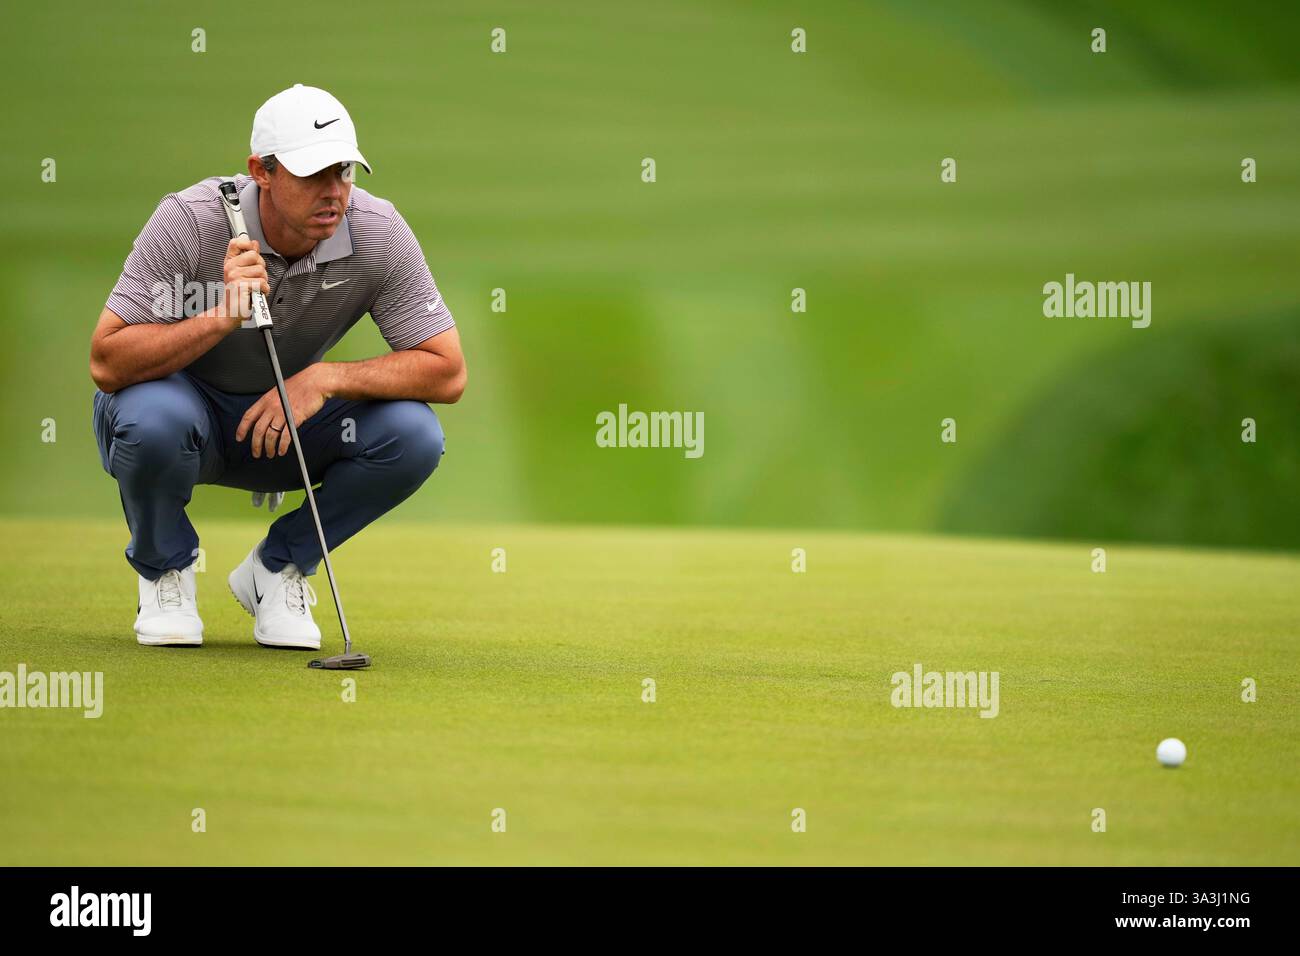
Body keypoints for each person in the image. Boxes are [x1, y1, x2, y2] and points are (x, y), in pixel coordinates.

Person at [89, 84, 466, 650]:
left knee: (414, 434)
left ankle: (280, 566)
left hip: (290, 424)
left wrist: (324, 378)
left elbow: (447, 372)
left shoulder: (378, 234)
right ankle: (165, 569)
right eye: (314, 174)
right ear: (261, 171)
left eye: (344, 171)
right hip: (189, 418)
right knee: (151, 417)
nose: (334, 192)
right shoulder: (190, 222)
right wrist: (221, 316)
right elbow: (106, 360)